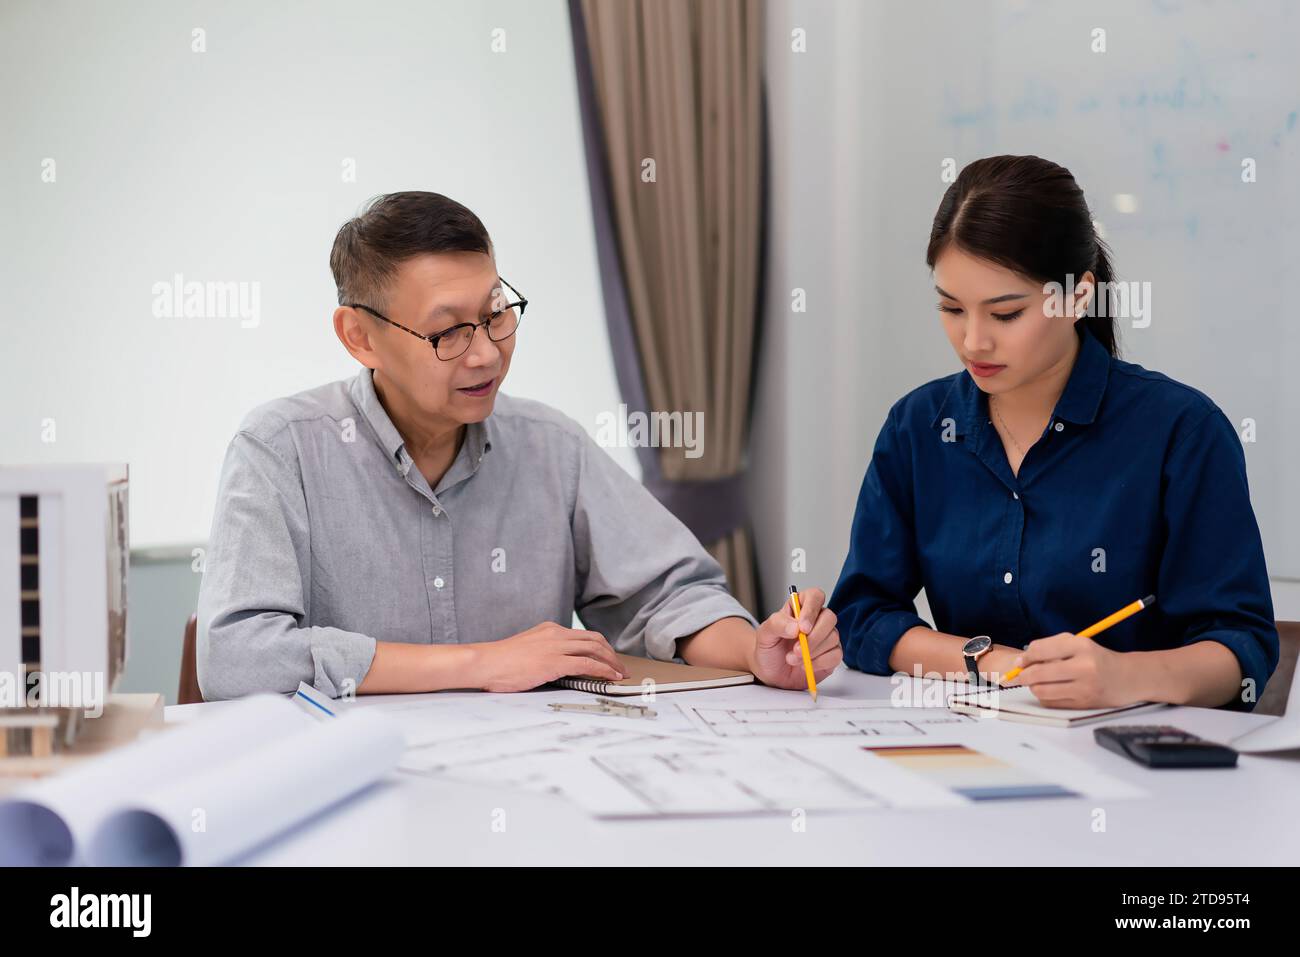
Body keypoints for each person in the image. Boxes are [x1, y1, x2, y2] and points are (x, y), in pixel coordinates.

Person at [197, 191, 840, 700]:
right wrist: (483, 663)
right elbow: (237, 657)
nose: (485, 354)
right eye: (448, 331)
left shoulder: (549, 446)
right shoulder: (280, 449)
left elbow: (668, 593)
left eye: (497, 313)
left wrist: (752, 648)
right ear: (359, 337)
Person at [829, 155, 1277, 711]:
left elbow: (1242, 647)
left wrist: (1124, 677)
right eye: (951, 308)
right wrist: (992, 663)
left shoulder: (1181, 432)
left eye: (1006, 313)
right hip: (966, 740)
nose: (973, 342)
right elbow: (863, 613)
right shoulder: (918, 427)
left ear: (1078, 296)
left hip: (1137, 763)